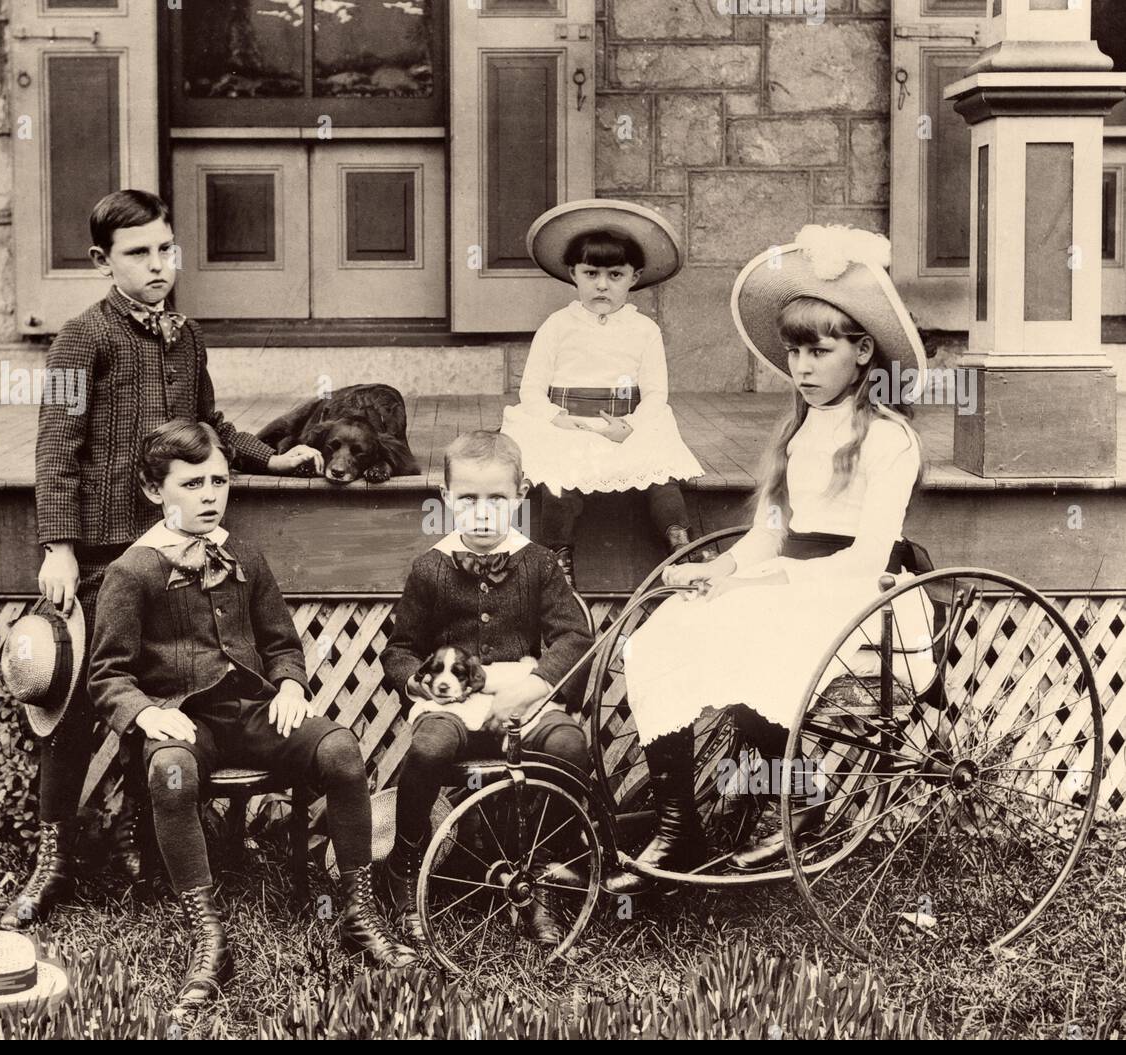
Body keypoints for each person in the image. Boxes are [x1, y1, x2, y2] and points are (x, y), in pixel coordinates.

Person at [1, 189, 324, 930]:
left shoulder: (187, 337)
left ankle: (151, 847)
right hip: (106, 555)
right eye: (138, 252)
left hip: (178, 552)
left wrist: (272, 460)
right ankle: (52, 863)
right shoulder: (79, 341)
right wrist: (59, 545)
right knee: (76, 706)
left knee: (175, 702)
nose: (157, 265)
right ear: (102, 261)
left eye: (165, 249)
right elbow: (57, 447)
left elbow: (209, 427)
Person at [615, 225, 934, 889]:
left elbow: (868, 554)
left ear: (863, 350)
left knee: (749, 638)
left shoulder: (889, 440)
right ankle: (680, 829)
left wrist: (764, 580)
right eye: (793, 352)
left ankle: (802, 803)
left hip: (862, 597)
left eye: (819, 351)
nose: (803, 367)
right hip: (790, 584)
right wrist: (718, 570)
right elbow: (768, 533)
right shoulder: (797, 433)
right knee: (663, 633)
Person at [88, 420, 417, 1008]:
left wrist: (290, 685)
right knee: (170, 772)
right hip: (183, 722)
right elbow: (106, 674)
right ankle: (209, 938)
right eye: (191, 484)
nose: (210, 495)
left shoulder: (244, 555)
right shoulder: (131, 571)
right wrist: (143, 715)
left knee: (341, 748)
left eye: (219, 481)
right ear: (154, 491)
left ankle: (358, 915)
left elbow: (281, 644)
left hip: (254, 713)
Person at [380, 430, 594, 944]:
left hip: (521, 700)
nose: (482, 512)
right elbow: (399, 648)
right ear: (447, 499)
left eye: (497, 499)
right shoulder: (430, 568)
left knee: (568, 745)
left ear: (519, 498)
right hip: (452, 706)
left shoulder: (538, 563)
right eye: (469, 499)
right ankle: (406, 862)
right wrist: (419, 684)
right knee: (429, 746)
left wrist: (538, 683)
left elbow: (574, 635)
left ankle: (540, 871)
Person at [500, 200, 704, 586]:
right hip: (567, 422)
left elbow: (657, 393)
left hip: (623, 423)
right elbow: (531, 390)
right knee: (561, 474)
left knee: (658, 469)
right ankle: (557, 556)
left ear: (634, 276)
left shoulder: (644, 330)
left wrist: (631, 425)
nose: (602, 284)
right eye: (591, 273)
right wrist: (556, 418)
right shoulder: (557, 326)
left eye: (615, 274)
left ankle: (680, 541)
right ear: (572, 274)